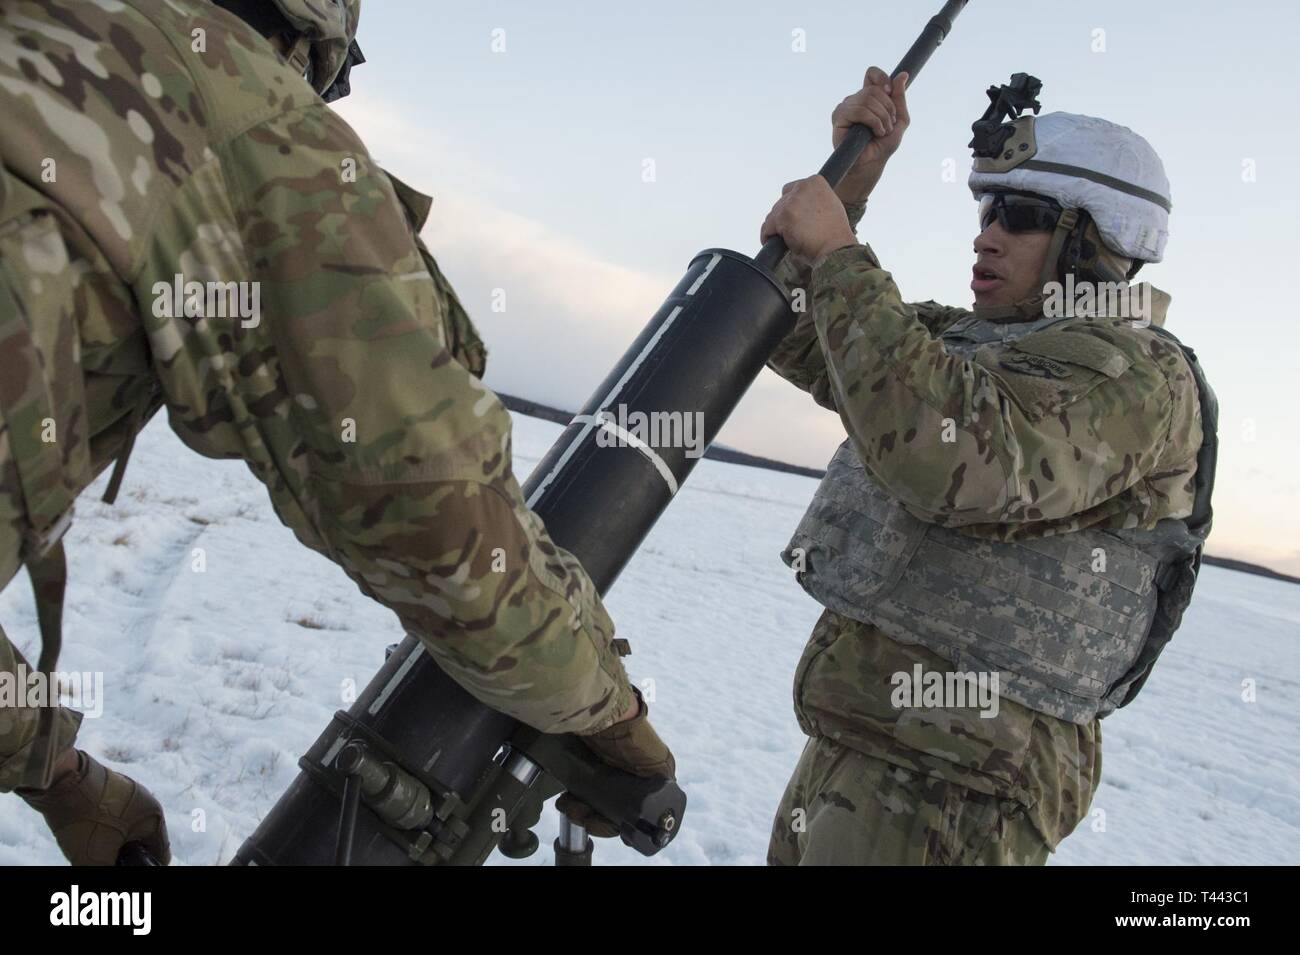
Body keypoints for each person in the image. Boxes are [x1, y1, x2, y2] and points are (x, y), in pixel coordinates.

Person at [0, 0, 672, 866]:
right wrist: (611, 709)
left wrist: (54, 770)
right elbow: (442, 532)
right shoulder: (253, 121)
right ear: (307, 39)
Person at [760, 67, 1215, 865]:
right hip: (859, 744)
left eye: (1021, 214)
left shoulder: (1137, 374)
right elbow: (799, 331)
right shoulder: (982, 346)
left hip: (960, 791)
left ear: (1097, 237)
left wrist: (839, 250)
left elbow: (954, 457)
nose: (986, 232)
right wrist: (852, 182)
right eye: (985, 207)